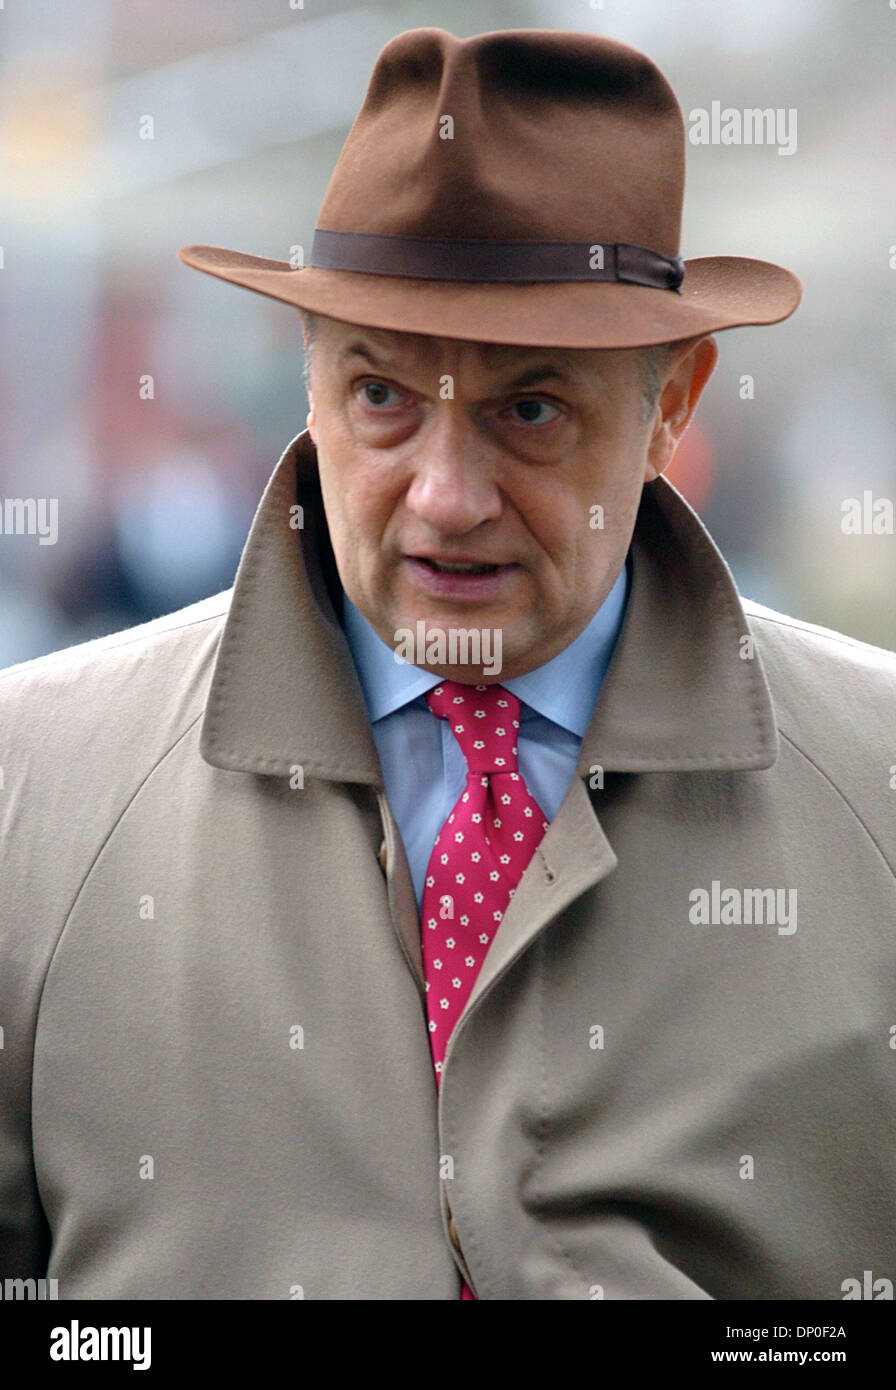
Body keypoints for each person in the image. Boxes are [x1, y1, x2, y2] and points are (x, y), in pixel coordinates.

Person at [1, 27, 894, 1302]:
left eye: (527, 409)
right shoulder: (32, 788)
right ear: (307, 382)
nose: (444, 492)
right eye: (380, 398)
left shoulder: (877, 788)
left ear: (675, 403)